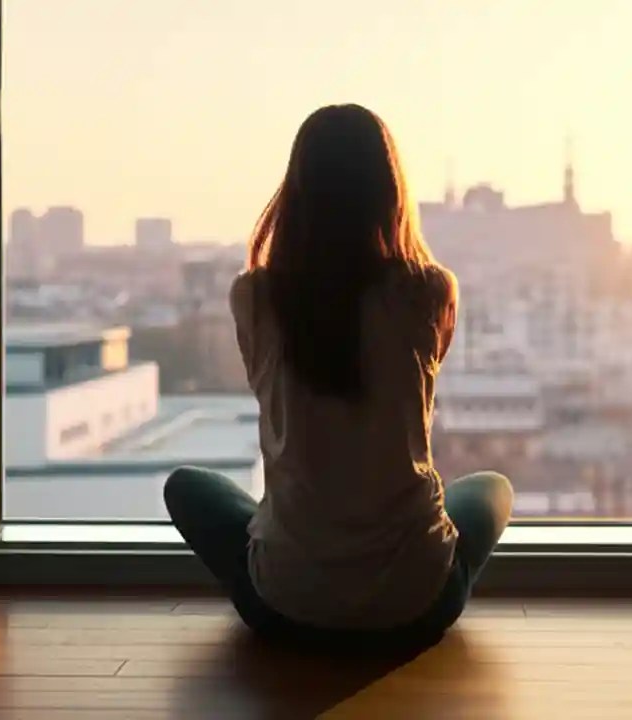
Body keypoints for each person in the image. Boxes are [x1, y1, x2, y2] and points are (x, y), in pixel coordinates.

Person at [163, 104, 512, 648]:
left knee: (187, 487)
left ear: (296, 191)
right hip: (416, 602)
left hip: (285, 603)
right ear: (390, 191)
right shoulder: (428, 292)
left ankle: (297, 540)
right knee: (492, 489)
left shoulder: (255, 297)